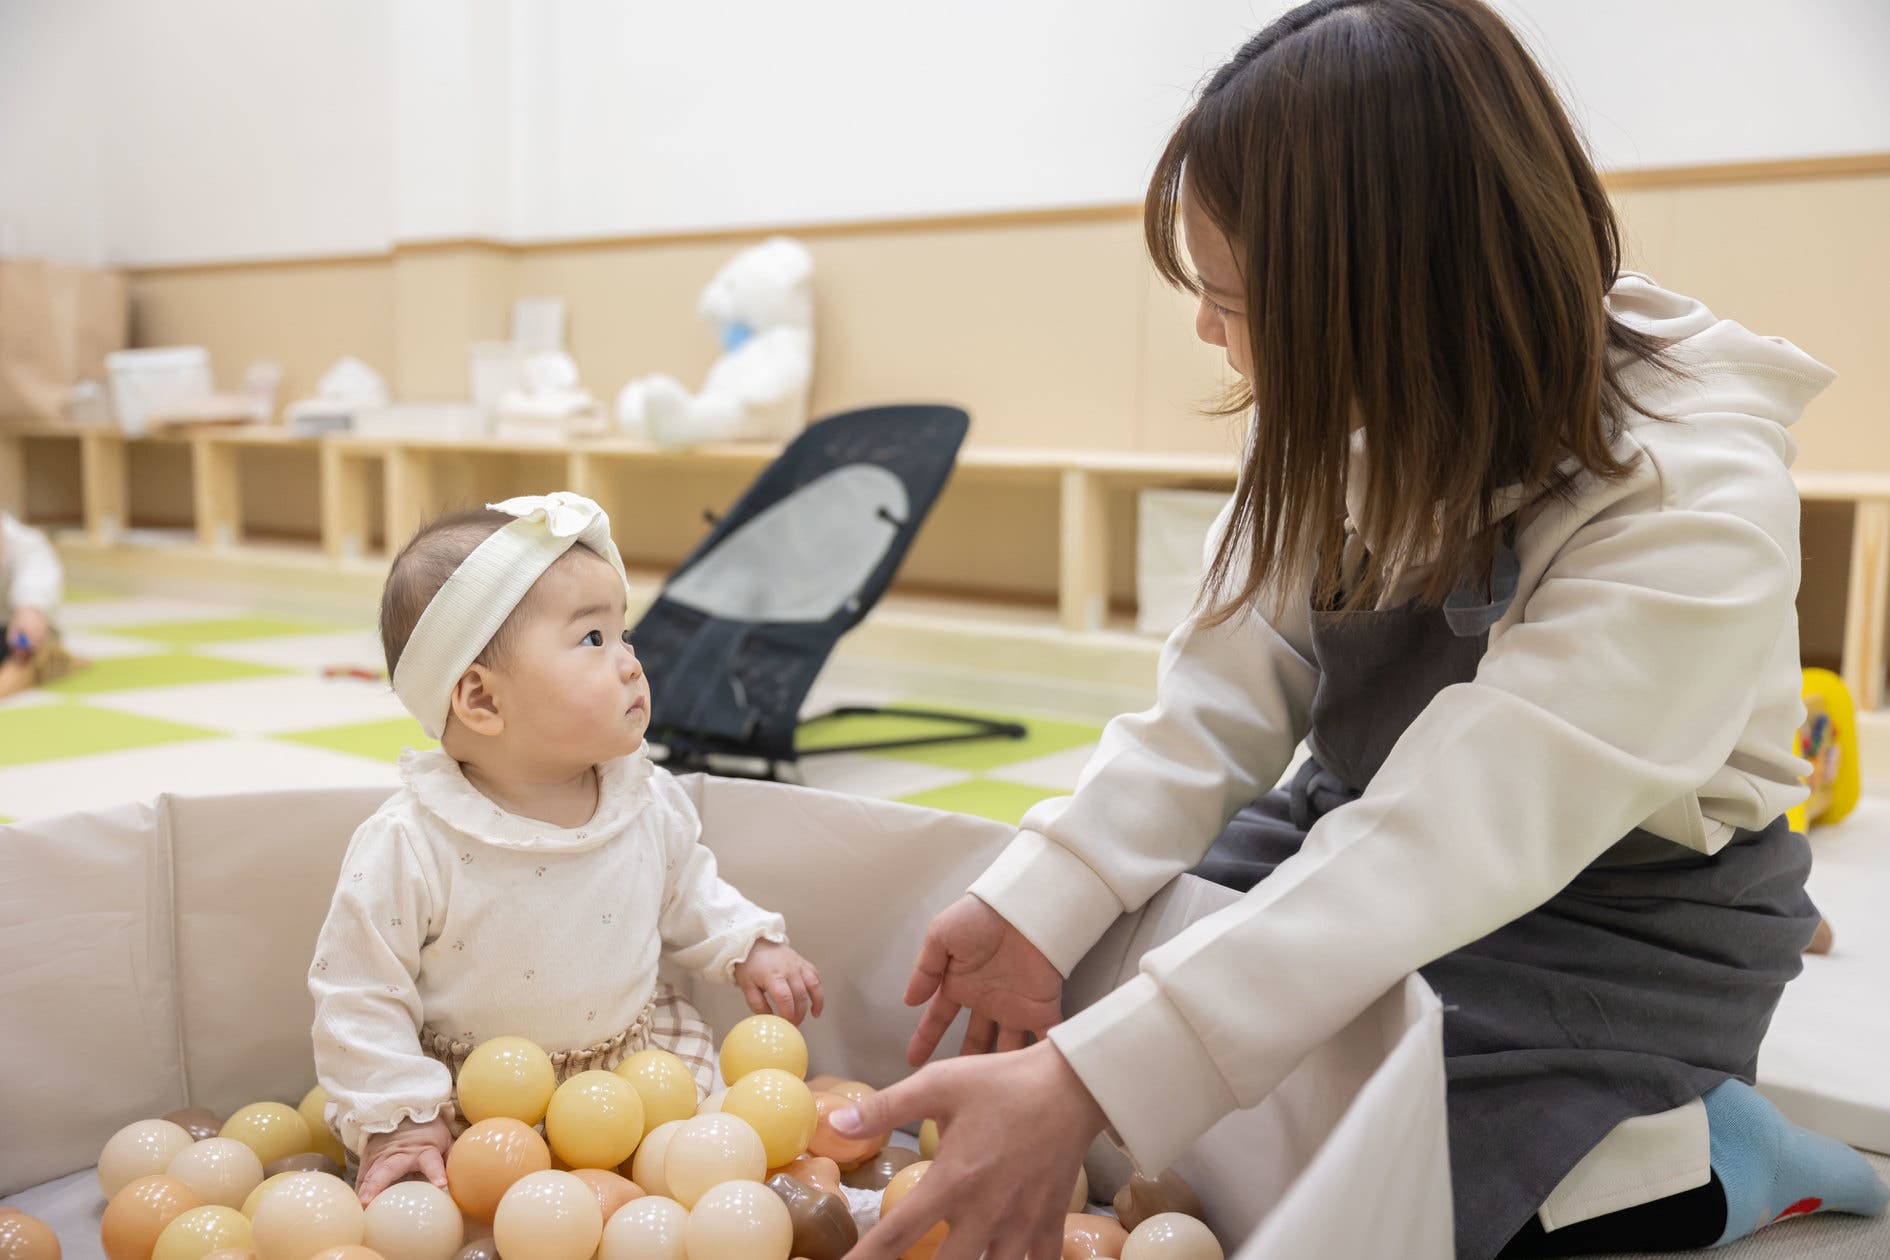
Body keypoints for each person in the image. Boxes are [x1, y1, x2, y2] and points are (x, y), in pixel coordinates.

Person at [833, 2, 1888, 1256]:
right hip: (1359, 821)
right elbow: (1224, 693)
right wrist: (1040, 903)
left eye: (1231, 300)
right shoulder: (1350, 400)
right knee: (1125, 1002)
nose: (1208, 332)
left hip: (1618, 918)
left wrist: (1092, 1085)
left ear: (1388, 299)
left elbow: (1451, 840)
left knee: (1416, 1190)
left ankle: (1712, 1156)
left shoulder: (1689, 490)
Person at [308, 492, 823, 1203]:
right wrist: (402, 1117)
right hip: (476, 1103)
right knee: (464, 1204)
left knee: (697, 1171)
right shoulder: (411, 843)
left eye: (624, 635)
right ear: (481, 700)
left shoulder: (642, 798)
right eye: (592, 640)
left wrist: (746, 942)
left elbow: (687, 890)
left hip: (633, 1076)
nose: (631, 664)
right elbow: (359, 994)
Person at [0, 510, 73, 698]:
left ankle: (41, 659)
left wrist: (29, 608)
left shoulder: (26, 543)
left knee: (26, 647)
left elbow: (37, 578)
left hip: (13, 629)